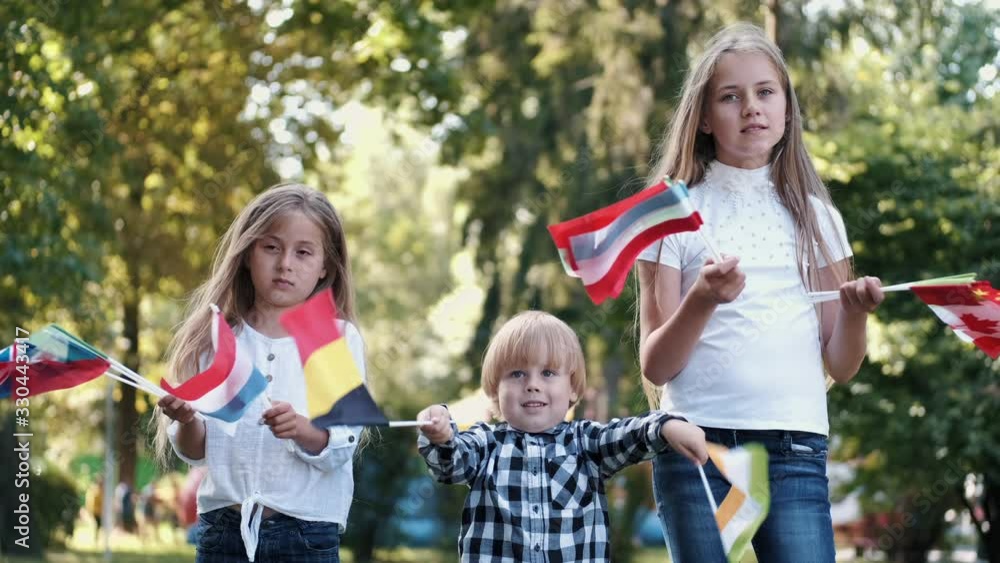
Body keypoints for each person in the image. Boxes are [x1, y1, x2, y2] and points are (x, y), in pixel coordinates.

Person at [636, 22, 885, 563]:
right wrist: (703, 298)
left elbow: (840, 365)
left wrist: (856, 316)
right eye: (731, 96)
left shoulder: (817, 219)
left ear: (787, 109)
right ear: (703, 118)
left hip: (795, 447)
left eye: (765, 92)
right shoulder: (672, 217)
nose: (752, 107)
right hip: (697, 446)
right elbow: (657, 366)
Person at [154, 184, 366, 563]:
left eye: (303, 252)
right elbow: (196, 451)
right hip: (223, 534)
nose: (285, 263)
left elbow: (342, 444)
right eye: (271, 247)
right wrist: (186, 420)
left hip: (306, 536)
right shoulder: (218, 338)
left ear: (324, 267)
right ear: (248, 254)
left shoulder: (334, 339)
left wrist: (303, 429)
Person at [418, 311, 707, 561]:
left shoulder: (586, 444)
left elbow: (629, 435)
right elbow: (450, 464)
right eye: (517, 374)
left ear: (572, 388)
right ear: (495, 390)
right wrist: (441, 435)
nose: (532, 385)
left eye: (547, 373)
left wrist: (665, 426)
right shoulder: (485, 445)